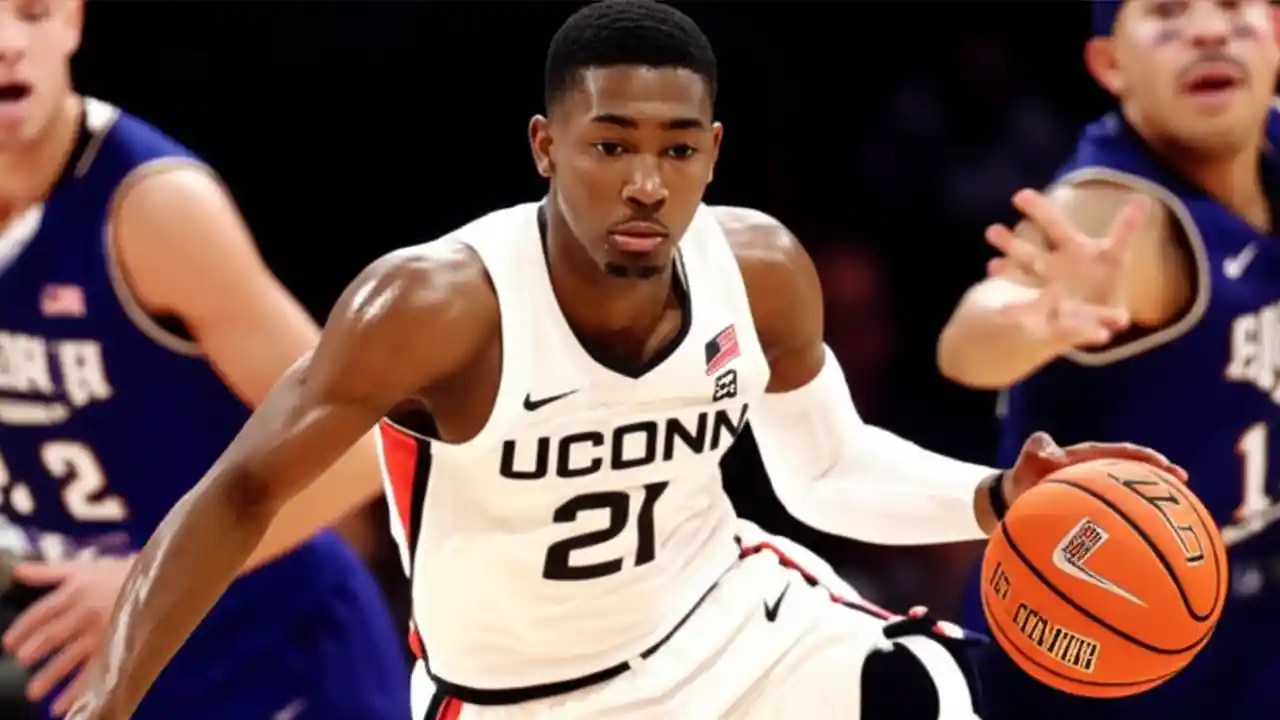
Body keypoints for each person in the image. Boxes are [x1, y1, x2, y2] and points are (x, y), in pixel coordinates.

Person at [66, 2, 1183, 719]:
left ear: (710, 154)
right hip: (516, 698)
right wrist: (106, 705)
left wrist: (989, 499)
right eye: (609, 147)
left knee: (936, 698)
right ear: (547, 146)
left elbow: (825, 471)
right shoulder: (438, 302)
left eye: (674, 149)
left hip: (737, 637)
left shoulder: (759, 266)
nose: (644, 183)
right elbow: (241, 493)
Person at [0, 0, 409, 717]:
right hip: (91, 661)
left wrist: (142, 585)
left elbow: (358, 442)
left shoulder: (152, 209)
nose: (7, 43)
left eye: (33, 13)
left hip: (272, 653)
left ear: (73, 22)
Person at [936, 0, 1280, 717]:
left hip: (1250, 616)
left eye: (1233, 7)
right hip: (1101, 639)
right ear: (1110, 63)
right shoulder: (1117, 215)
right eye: (1168, 12)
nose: (1210, 31)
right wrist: (1035, 322)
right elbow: (968, 347)